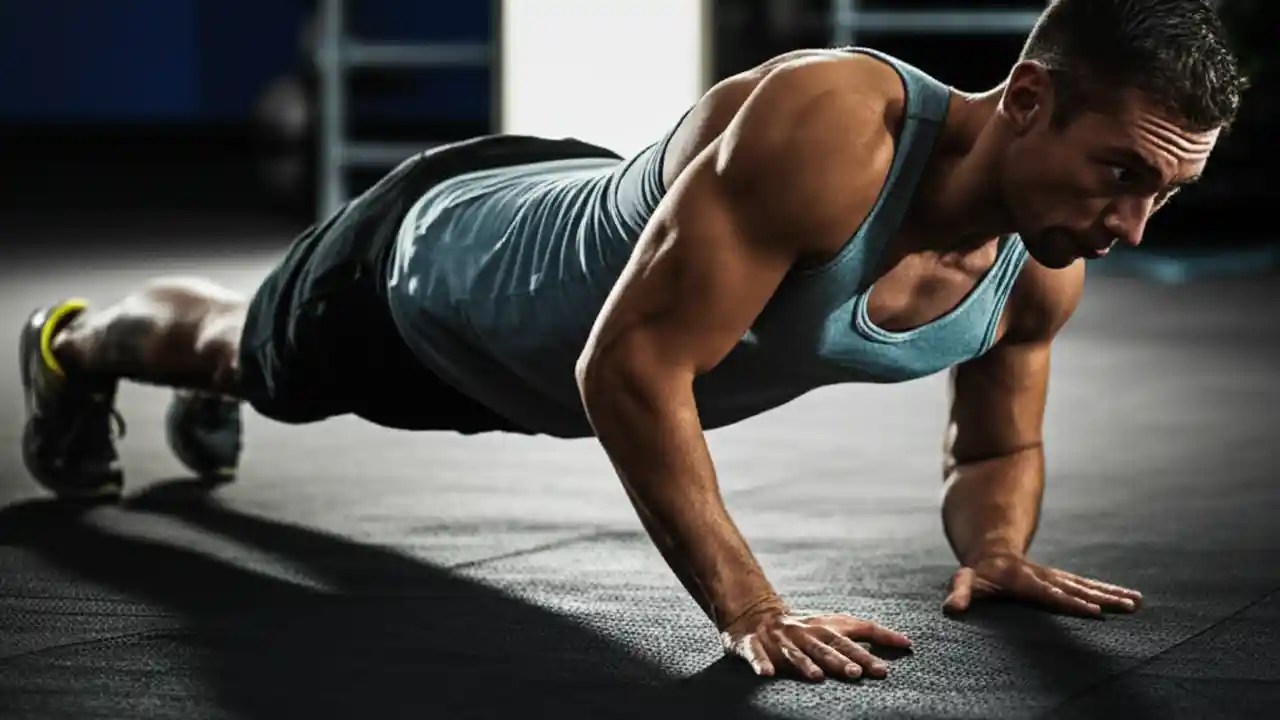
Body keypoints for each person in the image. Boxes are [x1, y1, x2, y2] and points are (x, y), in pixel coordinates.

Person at [19, 0, 1245, 683]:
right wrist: (748, 608)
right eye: (1118, 173)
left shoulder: (1040, 263)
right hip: (431, 279)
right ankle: (76, 346)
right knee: (244, 355)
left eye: (1163, 195)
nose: (1132, 224)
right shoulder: (835, 127)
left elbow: (995, 442)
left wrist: (997, 550)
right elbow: (629, 368)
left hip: (563, 312)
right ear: (1025, 98)